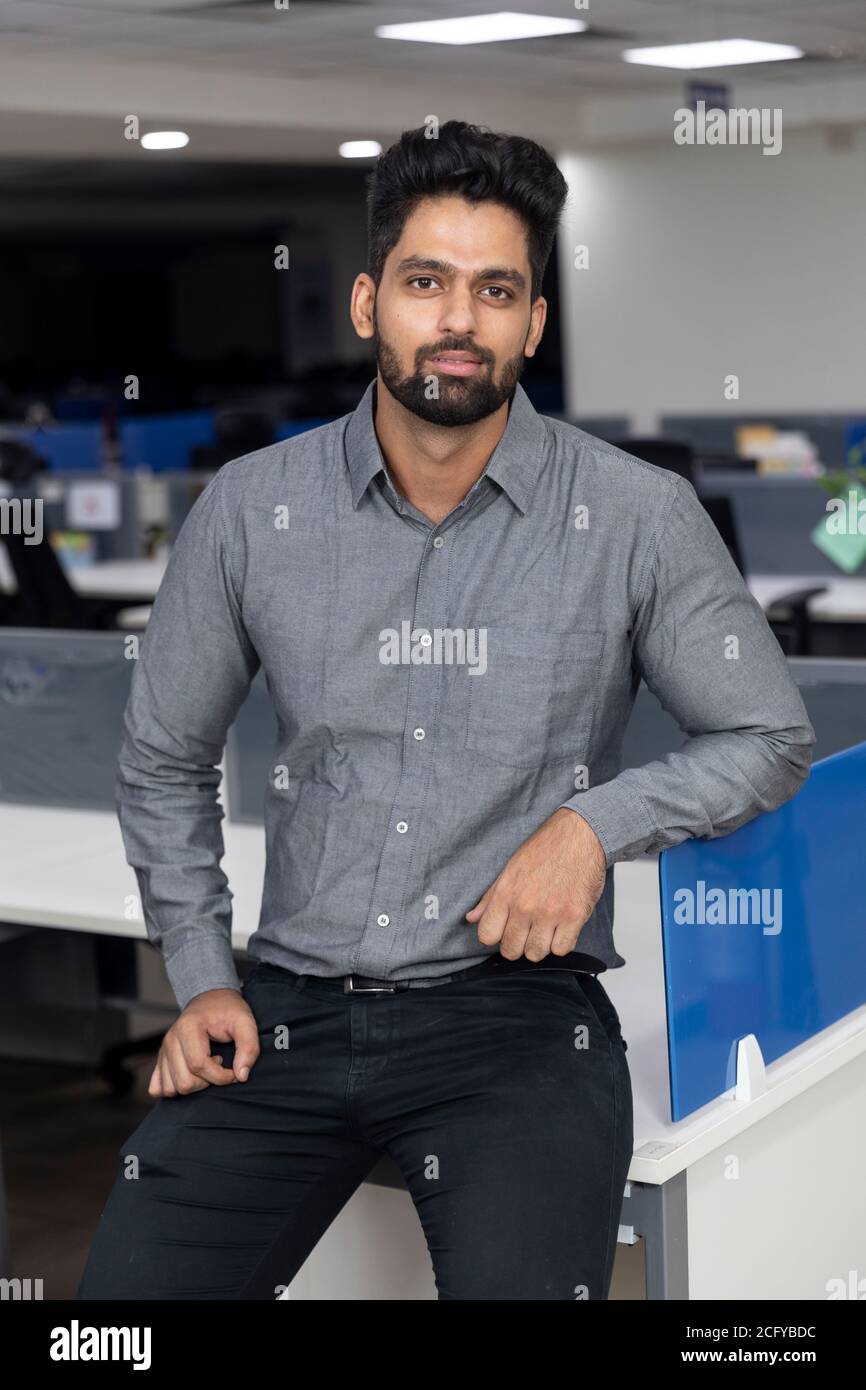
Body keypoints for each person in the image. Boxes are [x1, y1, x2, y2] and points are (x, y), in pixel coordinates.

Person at [78, 120, 814, 1301]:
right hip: (283, 1010)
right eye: (426, 282)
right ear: (370, 301)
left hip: (516, 1026)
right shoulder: (252, 511)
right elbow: (164, 757)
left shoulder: (635, 516)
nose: (457, 321)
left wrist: (593, 827)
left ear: (532, 321)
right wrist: (204, 974)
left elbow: (768, 736)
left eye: (495, 290)